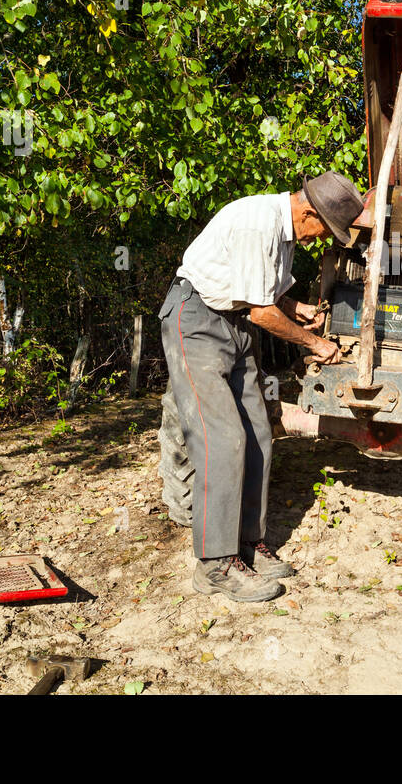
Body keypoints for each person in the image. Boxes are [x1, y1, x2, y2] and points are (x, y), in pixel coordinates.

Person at [159, 172, 364, 601]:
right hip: (197, 323)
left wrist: (300, 308)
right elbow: (261, 313)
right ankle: (214, 565)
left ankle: (248, 544)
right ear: (309, 212)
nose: (318, 240)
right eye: (324, 231)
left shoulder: (285, 232)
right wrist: (315, 343)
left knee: (258, 434)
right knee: (224, 439)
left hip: (234, 326)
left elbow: (267, 296)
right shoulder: (257, 224)